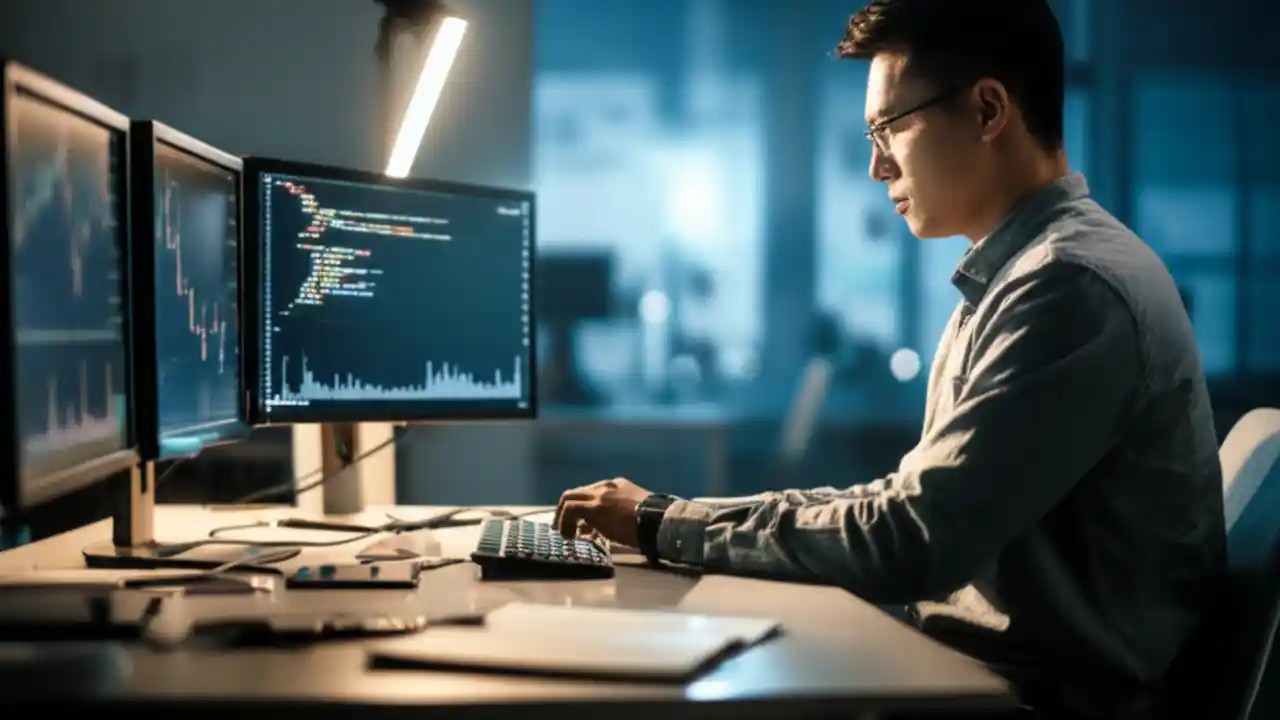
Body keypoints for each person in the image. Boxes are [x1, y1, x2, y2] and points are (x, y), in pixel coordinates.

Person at [553, 1, 1227, 717]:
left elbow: (913, 538)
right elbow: (908, 504)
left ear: (988, 110)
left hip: (1028, 699)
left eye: (888, 129)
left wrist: (664, 524)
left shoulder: (1068, 286)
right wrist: (668, 517)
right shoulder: (1020, 277)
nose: (876, 167)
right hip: (978, 676)